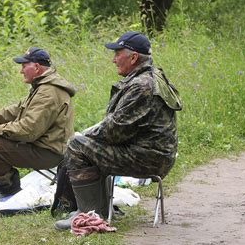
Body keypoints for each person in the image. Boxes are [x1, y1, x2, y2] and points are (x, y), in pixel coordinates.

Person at [54, 31, 182, 230]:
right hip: (154, 154)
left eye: (118, 54)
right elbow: (118, 127)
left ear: (133, 57)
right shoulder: (150, 77)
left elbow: (113, 132)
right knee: (87, 144)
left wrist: (86, 136)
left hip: (147, 158)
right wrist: (92, 134)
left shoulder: (142, 86)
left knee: (77, 145)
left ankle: (88, 216)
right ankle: (97, 210)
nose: (114, 60)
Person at [0, 47, 77, 201]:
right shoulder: (43, 86)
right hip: (46, 146)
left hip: (49, 152)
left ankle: (8, 191)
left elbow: (29, 130)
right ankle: (4, 190)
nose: (21, 71)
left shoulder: (48, 92)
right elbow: (15, 110)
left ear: (37, 67)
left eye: (24, 66)